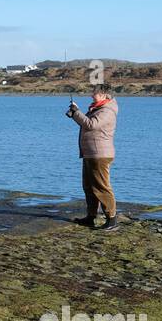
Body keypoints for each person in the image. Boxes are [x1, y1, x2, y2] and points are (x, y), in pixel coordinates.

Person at [66, 87, 119, 232]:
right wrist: (76, 113)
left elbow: (91, 125)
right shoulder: (98, 108)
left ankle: (112, 219)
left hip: (100, 154)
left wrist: (77, 113)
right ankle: (91, 217)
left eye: (94, 93)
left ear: (103, 95)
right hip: (91, 153)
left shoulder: (107, 110)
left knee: (101, 187)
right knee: (88, 186)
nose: (91, 95)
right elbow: (88, 123)